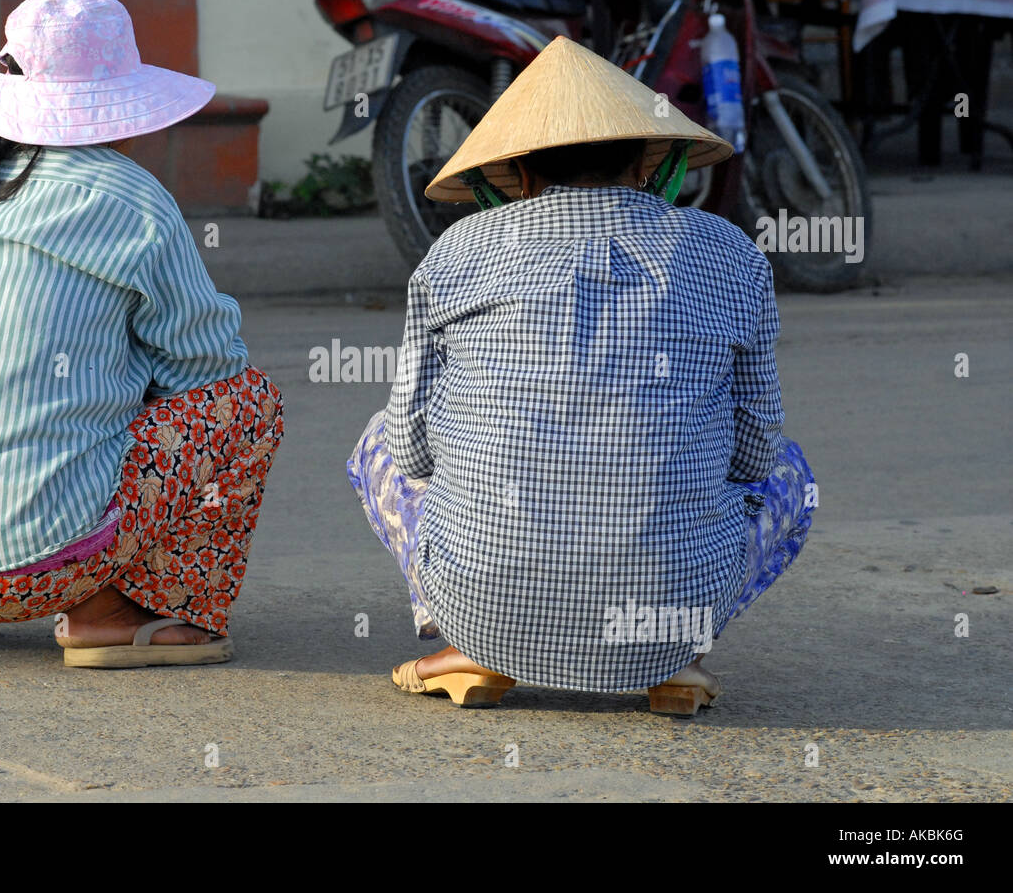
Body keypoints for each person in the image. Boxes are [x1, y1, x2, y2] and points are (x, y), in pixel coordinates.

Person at [347, 36, 815, 714]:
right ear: (646, 161)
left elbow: (414, 445)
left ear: (520, 174)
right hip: (674, 604)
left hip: (483, 598)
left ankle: (471, 645)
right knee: (793, 476)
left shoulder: (458, 251)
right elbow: (755, 450)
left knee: (378, 443)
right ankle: (676, 659)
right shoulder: (729, 252)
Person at [0, 0, 283, 668]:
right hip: (33, 563)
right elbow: (207, 367)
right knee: (248, 405)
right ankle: (106, 615)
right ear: (118, 110)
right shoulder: (130, 198)